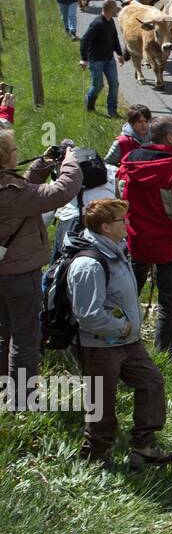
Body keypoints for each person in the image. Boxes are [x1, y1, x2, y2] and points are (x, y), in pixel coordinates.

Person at [65, 198, 172, 469]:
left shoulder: (115, 249)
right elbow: (88, 315)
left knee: (152, 382)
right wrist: (122, 327)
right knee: (101, 403)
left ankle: (143, 446)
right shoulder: (89, 265)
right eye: (122, 220)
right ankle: (96, 456)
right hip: (98, 345)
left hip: (128, 342)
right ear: (106, 227)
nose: (128, 223)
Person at [0, 134, 82, 394]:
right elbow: (63, 190)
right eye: (14, 148)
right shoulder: (9, 194)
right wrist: (70, 162)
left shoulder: (8, 189)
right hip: (18, 275)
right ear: (5, 156)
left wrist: (42, 164)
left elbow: (23, 194)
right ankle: (22, 400)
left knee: (4, 331)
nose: (17, 150)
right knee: (26, 337)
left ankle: (4, 387)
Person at [117, 116, 172, 355]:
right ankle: (165, 353)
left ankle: (121, 343)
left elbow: (120, 202)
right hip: (170, 247)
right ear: (169, 137)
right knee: (168, 303)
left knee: (127, 297)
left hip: (136, 242)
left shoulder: (128, 165)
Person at [79, 0, 127, 118]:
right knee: (98, 86)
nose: (117, 10)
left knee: (114, 84)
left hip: (109, 59)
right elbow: (85, 40)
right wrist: (84, 59)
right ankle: (89, 100)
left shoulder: (110, 21)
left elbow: (114, 38)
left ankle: (112, 111)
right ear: (110, 9)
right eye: (116, 8)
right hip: (96, 60)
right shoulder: (97, 24)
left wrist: (120, 54)